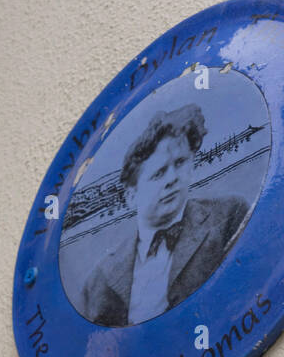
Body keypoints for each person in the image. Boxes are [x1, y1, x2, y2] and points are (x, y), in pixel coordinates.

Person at [78, 104, 249, 326]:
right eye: (158, 173)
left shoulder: (227, 216)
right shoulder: (98, 282)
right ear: (132, 196)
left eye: (180, 163)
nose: (172, 179)